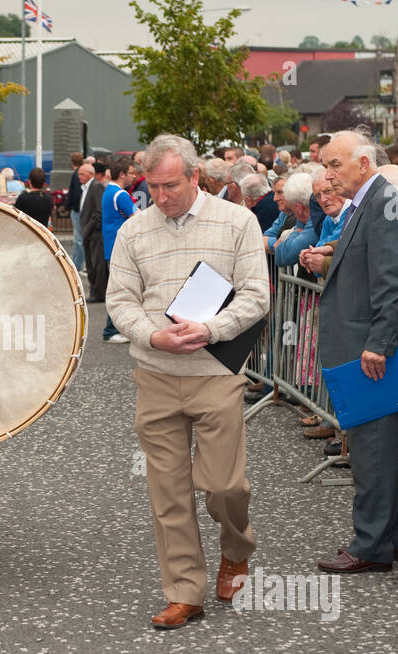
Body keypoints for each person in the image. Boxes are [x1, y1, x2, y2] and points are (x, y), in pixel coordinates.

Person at [107, 134, 269, 628]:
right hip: (156, 375)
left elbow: (257, 295)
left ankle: (237, 549)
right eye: (152, 186)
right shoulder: (134, 232)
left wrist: (210, 328)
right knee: (168, 492)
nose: (161, 196)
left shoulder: (238, 222)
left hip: (216, 374)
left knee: (224, 487)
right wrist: (153, 337)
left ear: (196, 177)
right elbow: (119, 301)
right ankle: (185, 591)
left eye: (171, 185)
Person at [313, 130, 398, 573]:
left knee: (373, 451)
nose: (327, 175)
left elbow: (393, 281)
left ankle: (371, 546)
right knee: (376, 449)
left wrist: (378, 345)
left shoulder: (382, 202)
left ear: (363, 163)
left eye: (335, 165)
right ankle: (394, 540)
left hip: (377, 351)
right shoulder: (372, 200)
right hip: (370, 346)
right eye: (325, 165)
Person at [101, 156, 137, 342]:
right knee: (120, 289)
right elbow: (137, 217)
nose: (134, 176)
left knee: (116, 287)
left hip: (110, 245)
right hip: (118, 247)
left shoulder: (109, 190)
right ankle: (110, 330)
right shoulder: (121, 194)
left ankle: (112, 329)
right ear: (122, 174)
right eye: (131, 172)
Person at [79, 161, 108, 304]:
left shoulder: (96, 187)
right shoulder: (85, 188)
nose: (79, 176)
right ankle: (94, 291)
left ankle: (98, 293)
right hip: (88, 232)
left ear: (91, 174)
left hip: (94, 233)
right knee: (91, 263)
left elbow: (99, 211)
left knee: (97, 264)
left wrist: (89, 229)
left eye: (82, 174)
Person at [65, 152, 86, 271]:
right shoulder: (80, 173)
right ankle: (76, 263)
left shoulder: (76, 174)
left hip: (77, 209)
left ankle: (77, 264)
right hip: (79, 208)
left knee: (79, 238)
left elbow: (76, 192)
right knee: (79, 237)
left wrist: (69, 205)